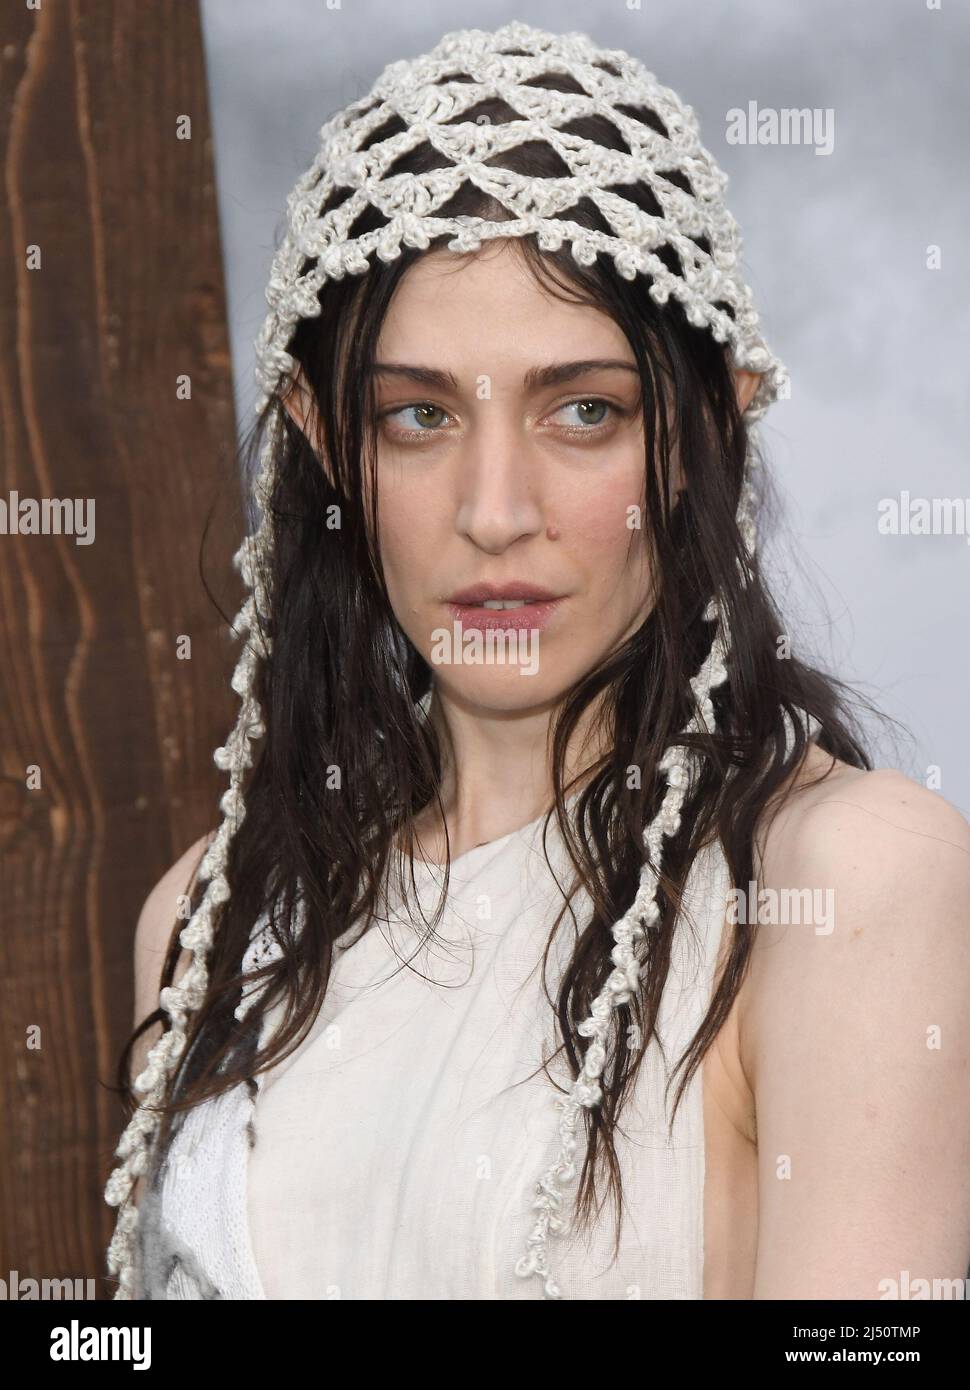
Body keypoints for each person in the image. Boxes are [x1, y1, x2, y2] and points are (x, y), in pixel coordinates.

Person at [106, 22, 970, 1301]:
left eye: (583, 411)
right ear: (323, 439)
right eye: (420, 415)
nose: (495, 508)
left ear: (699, 431)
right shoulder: (208, 921)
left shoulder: (839, 880)